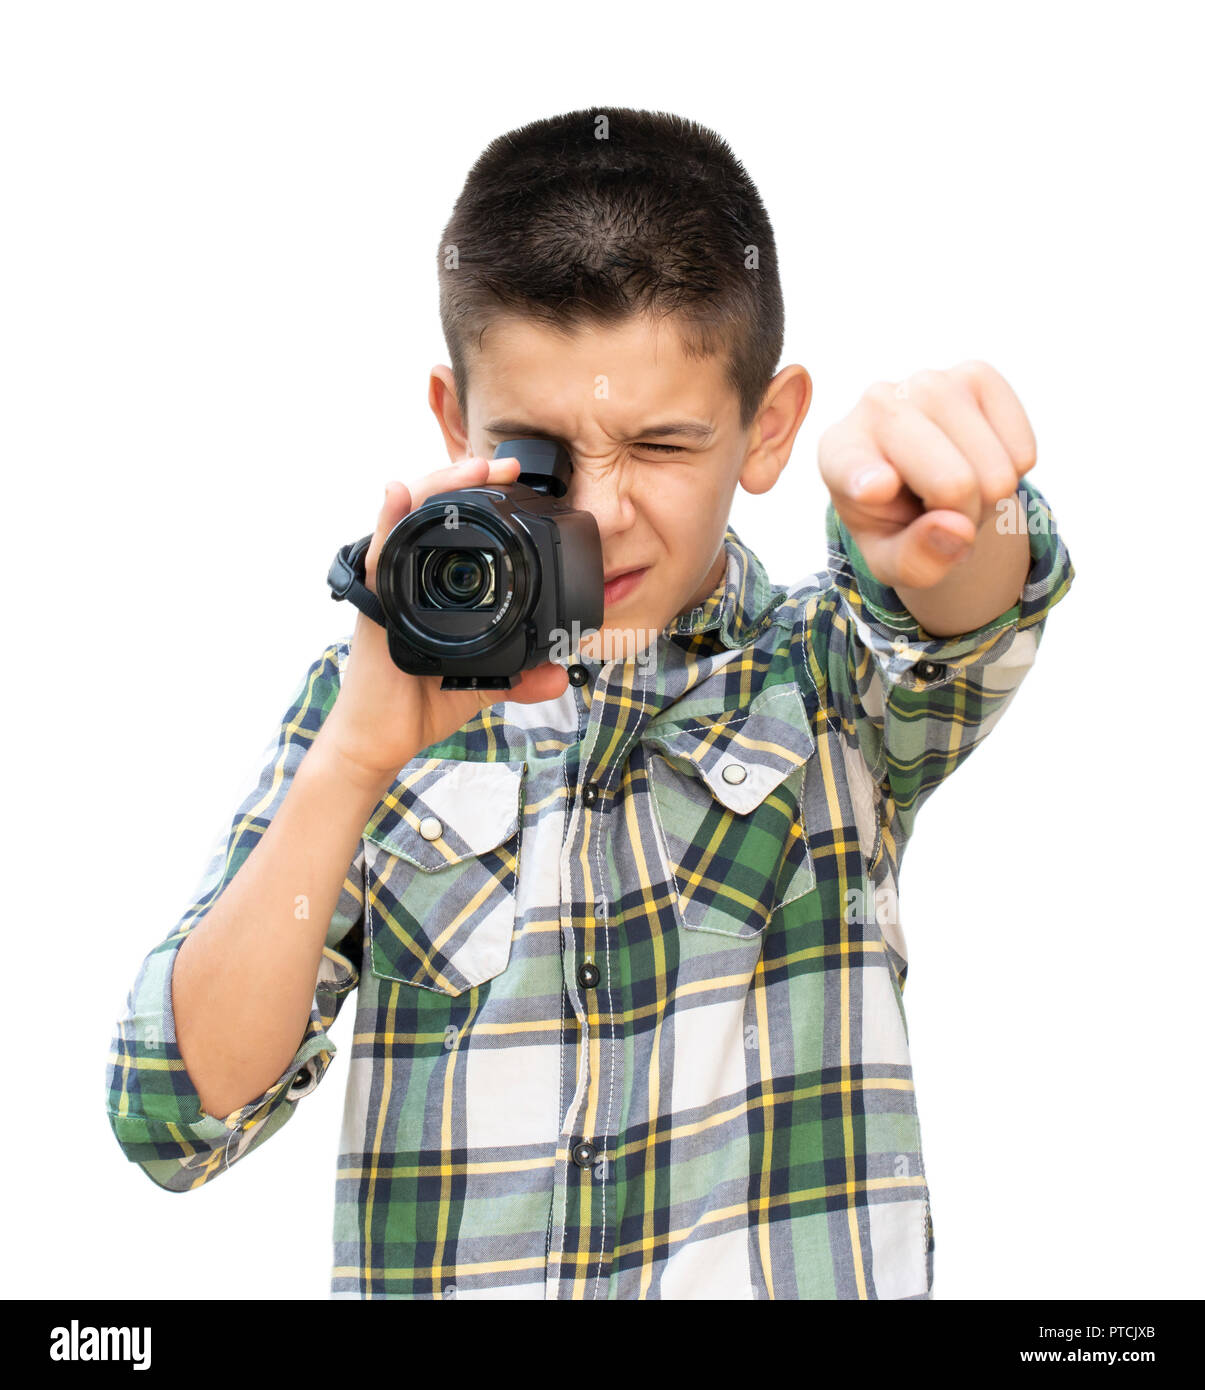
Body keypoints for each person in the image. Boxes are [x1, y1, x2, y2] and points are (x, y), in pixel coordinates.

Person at [105, 106, 1075, 1299]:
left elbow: (960, 606)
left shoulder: (827, 681)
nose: (605, 512)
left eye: (663, 445)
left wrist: (945, 508)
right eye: (545, 451)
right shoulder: (373, 700)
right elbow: (176, 1118)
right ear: (456, 422)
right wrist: (351, 765)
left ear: (765, 430)